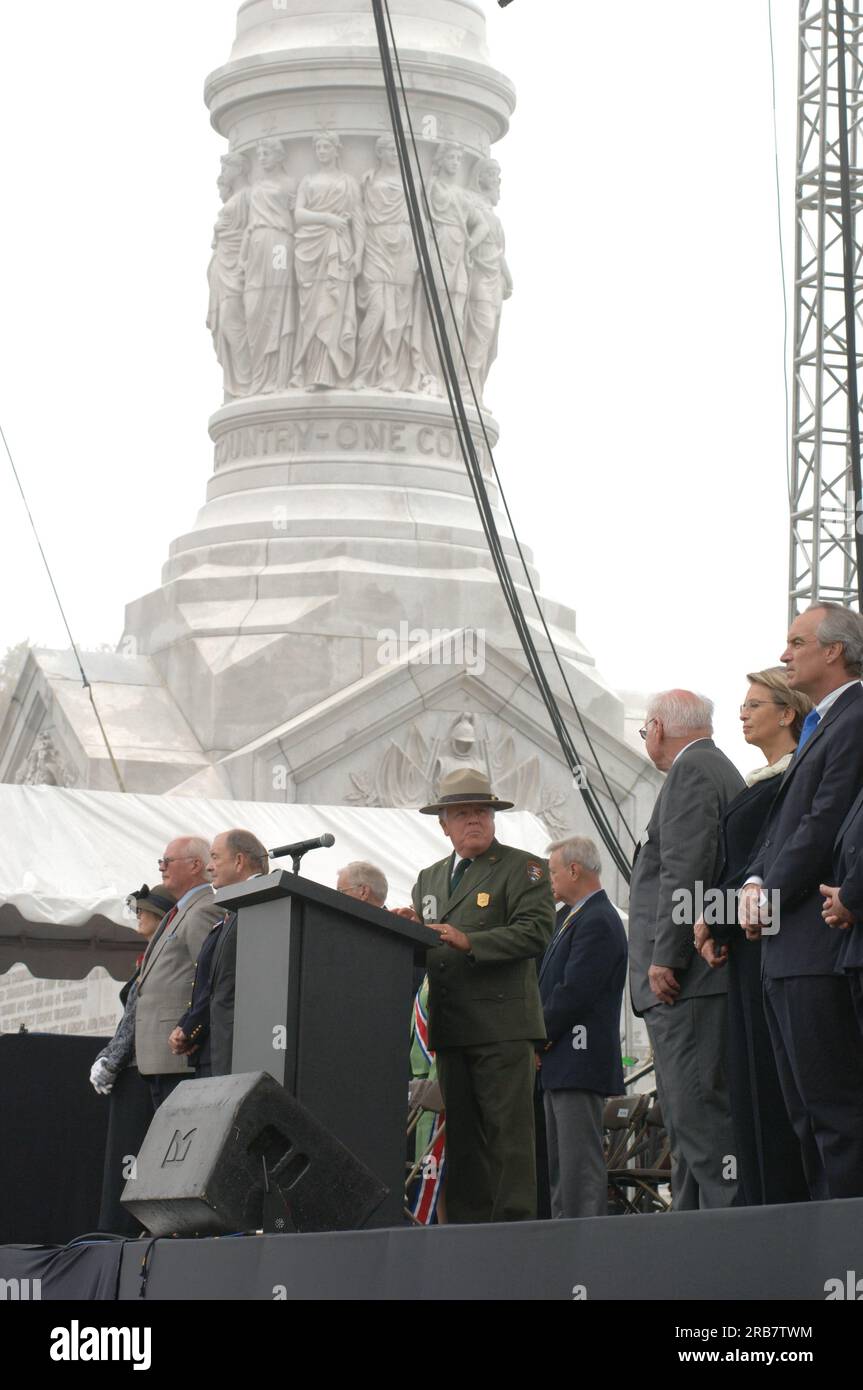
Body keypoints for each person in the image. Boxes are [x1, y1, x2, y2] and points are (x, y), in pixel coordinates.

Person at [739, 603, 863, 1199]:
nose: (785, 654)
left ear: (833, 650)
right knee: (805, 1117)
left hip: (817, 945)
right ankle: (823, 1257)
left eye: (796, 642)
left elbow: (823, 822)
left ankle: (846, 1261)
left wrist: (772, 890)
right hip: (783, 951)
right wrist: (755, 883)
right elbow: (782, 830)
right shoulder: (819, 727)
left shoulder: (855, 719)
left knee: (835, 1115)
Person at [394, 768, 555, 1223]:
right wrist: (405, 931)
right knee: (462, 1137)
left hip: (503, 1027)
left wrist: (470, 942)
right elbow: (430, 946)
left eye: (481, 811)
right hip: (452, 1027)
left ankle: (515, 1232)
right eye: (461, 814)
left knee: (508, 1137)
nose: (474, 821)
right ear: (443, 823)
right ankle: (467, 1233)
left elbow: (536, 933)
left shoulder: (524, 868)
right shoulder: (429, 878)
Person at [694, 668, 811, 1205]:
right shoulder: (760, 780)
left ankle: (778, 1206)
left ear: (787, 714)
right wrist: (710, 919)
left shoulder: (791, 779)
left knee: (768, 1083)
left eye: (754, 705)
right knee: (749, 1087)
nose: (742, 714)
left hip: (767, 944)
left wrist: (709, 917)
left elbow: (757, 868)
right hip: (741, 945)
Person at [628, 690, 744, 1210]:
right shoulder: (712, 767)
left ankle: (732, 1251)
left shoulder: (692, 770)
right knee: (690, 1128)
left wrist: (665, 955)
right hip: (696, 981)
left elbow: (686, 869)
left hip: (686, 984)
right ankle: (695, 1242)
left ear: (656, 728)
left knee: (702, 1122)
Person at [537, 836, 627, 1219]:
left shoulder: (598, 920)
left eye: (554, 872)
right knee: (561, 1169)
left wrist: (536, 1036)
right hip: (561, 1062)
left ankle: (586, 1249)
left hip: (578, 1058)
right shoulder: (570, 918)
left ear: (574, 869)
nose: (550, 881)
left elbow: (574, 992)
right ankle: (565, 1247)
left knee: (578, 1169)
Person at [90, 883, 176, 1233]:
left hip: (144, 1068)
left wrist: (111, 1058)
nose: (138, 913)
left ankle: (125, 1231)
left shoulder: (162, 955)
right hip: (135, 1065)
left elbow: (137, 1019)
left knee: (134, 1157)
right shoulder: (151, 955)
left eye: (145, 908)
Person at [175, 829, 270, 1079]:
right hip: (218, 1046)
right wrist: (189, 1024)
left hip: (237, 1049)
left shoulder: (261, 905)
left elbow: (231, 985)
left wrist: (193, 1028)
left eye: (215, 857)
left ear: (239, 861)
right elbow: (213, 981)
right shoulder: (233, 911)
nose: (209, 866)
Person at [134, 838, 221, 1108]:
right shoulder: (181, 910)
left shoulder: (203, 909)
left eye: (167, 861)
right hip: (162, 1056)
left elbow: (209, 978)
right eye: (162, 862)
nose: (162, 868)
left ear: (196, 865)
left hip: (180, 1053)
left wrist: (192, 1030)